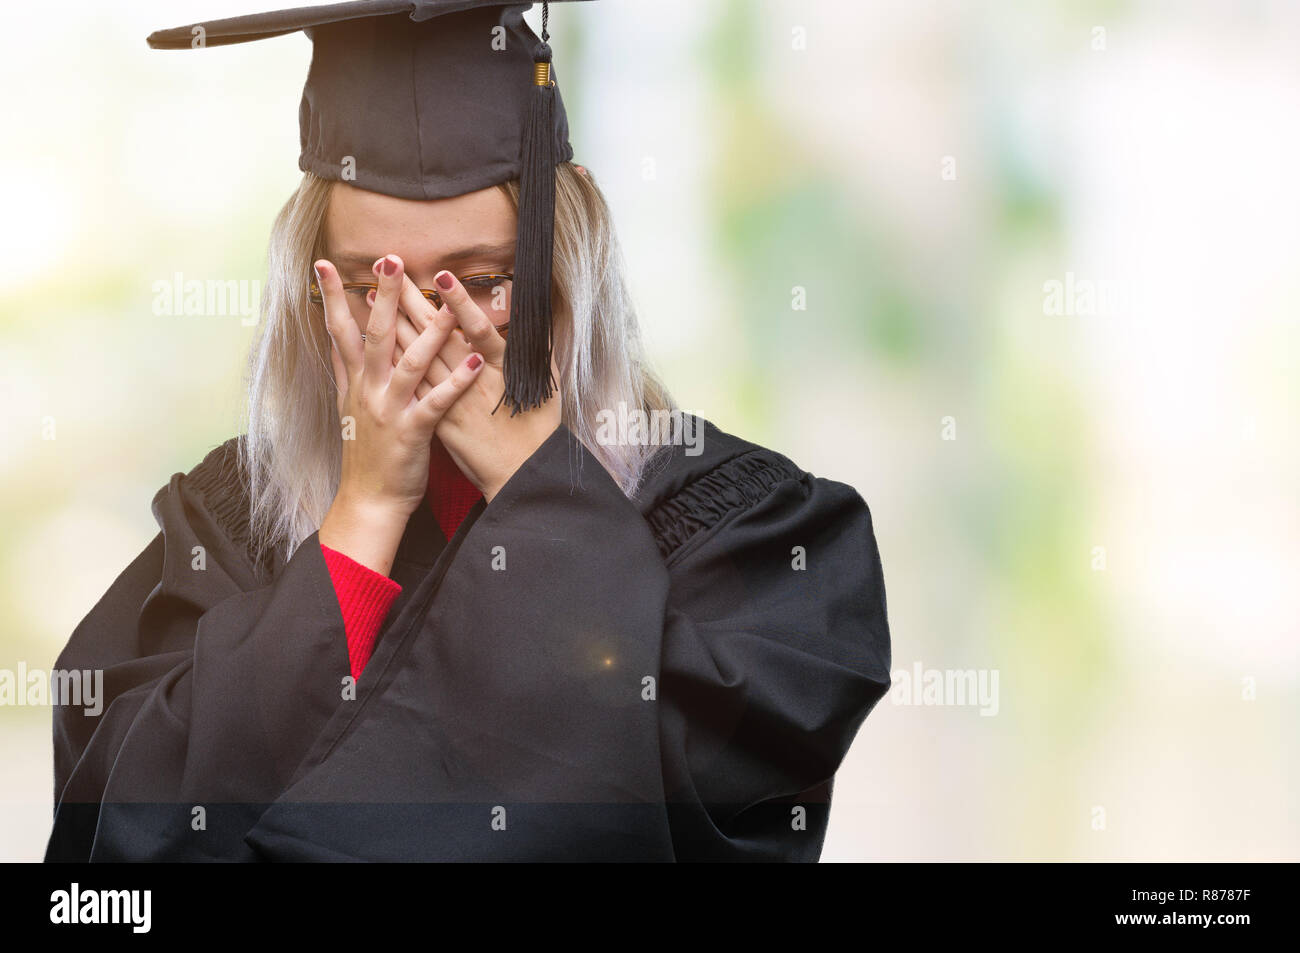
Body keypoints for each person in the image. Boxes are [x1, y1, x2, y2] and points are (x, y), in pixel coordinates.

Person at [44, 0, 891, 862]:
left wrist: (544, 493)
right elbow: (127, 840)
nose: (427, 329)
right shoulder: (230, 522)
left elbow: (685, 816)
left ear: (569, 266)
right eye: (376, 289)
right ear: (313, 287)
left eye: (481, 280)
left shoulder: (745, 525)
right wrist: (361, 521)